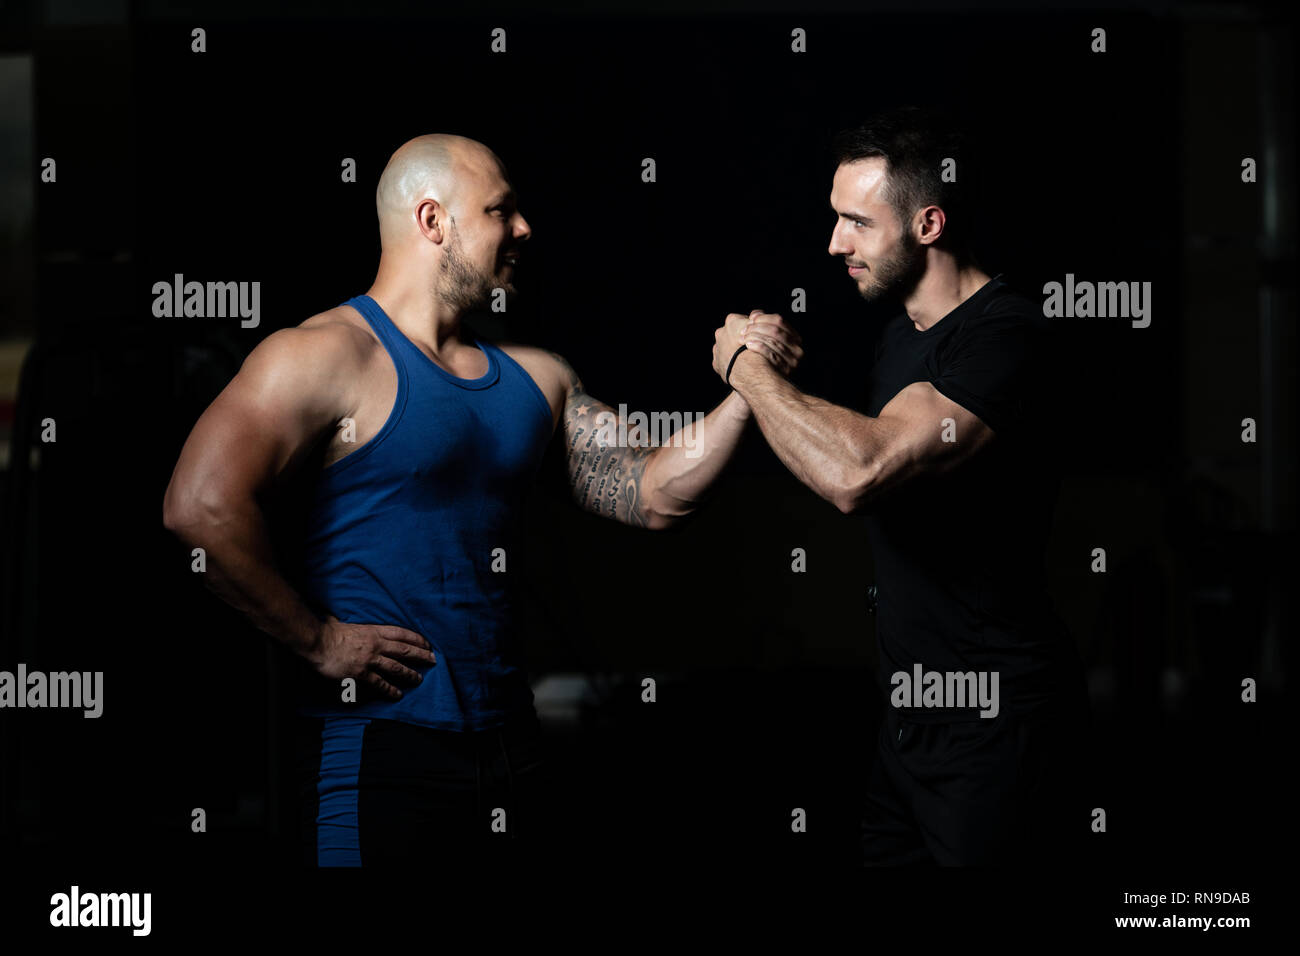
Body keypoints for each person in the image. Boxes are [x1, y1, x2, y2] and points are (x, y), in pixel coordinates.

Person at [162, 133, 802, 866]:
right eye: (502, 210)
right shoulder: (321, 355)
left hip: (511, 746)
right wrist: (319, 641)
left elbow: (655, 491)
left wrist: (750, 389)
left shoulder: (537, 377)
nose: (525, 229)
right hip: (378, 750)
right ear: (432, 221)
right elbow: (198, 507)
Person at [711, 107, 1091, 866]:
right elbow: (846, 452)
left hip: (996, 721)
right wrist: (773, 378)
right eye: (834, 218)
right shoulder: (898, 337)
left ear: (928, 223)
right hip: (908, 718)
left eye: (856, 221)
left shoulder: (1007, 336)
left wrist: (742, 368)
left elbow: (857, 472)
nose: (834, 243)